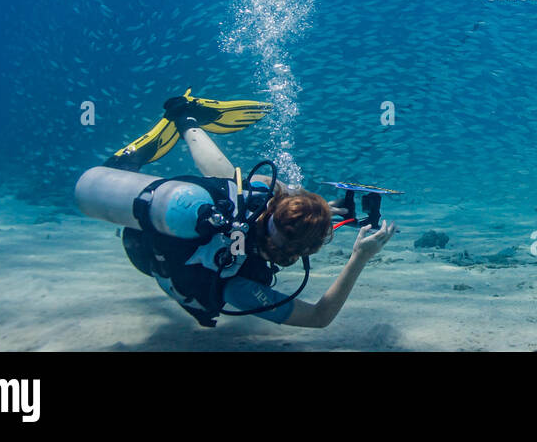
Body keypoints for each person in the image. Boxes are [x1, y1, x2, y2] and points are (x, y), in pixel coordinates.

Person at [100, 89, 396, 328]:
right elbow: (319, 317)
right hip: (142, 250)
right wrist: (360, 256)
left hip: (168, 204)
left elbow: (273, 200)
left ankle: (185, 119)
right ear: (294, 254)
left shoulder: (251, 205)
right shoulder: (237, 285)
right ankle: (177, 127)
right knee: (239, 185)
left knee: (236, 185)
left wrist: (310, 211)